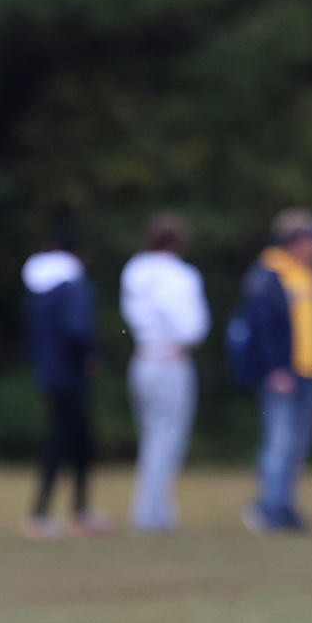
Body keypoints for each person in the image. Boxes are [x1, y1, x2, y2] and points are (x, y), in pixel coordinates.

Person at [233, 207, 312, 533]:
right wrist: (274, 369)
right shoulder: (268, 275)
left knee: (298, 446)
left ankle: (285, 507)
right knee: (279, 443)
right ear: (294, 240)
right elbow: (260, 328)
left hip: (311, 372)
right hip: (282, 376)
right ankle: (268, 509)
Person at [120, 212, 210, 533]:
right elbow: (191, 327)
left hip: (142, 359)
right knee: (166, 440)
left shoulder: (134, 270)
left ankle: (159, 509)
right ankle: (148, 512)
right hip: (170, 361)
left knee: (152, 437)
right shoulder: (179, 276)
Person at [21, 231, 109, 538]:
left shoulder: (37, 289)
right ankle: (42, 515)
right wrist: (92, 353)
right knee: (64, 443)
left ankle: (77, 511)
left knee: (77, 442)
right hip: (71, 375)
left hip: (48, 374)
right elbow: (77, 328)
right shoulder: (72, 287)